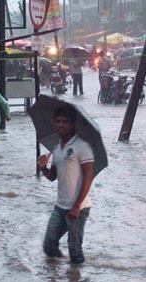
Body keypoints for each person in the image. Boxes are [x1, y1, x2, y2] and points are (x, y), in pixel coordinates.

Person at [37, 106, 95, 265]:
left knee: (75, 251)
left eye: (65, 122)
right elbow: (53, 177)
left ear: (72, 125)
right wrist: (43, 169)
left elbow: (88, 178)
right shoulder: (56, 149)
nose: (61, 125)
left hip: (78, 206)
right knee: (49, 246)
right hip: (60, 205)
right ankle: (56, 279)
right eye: (58, 122)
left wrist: (76, 206)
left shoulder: (82, 147)